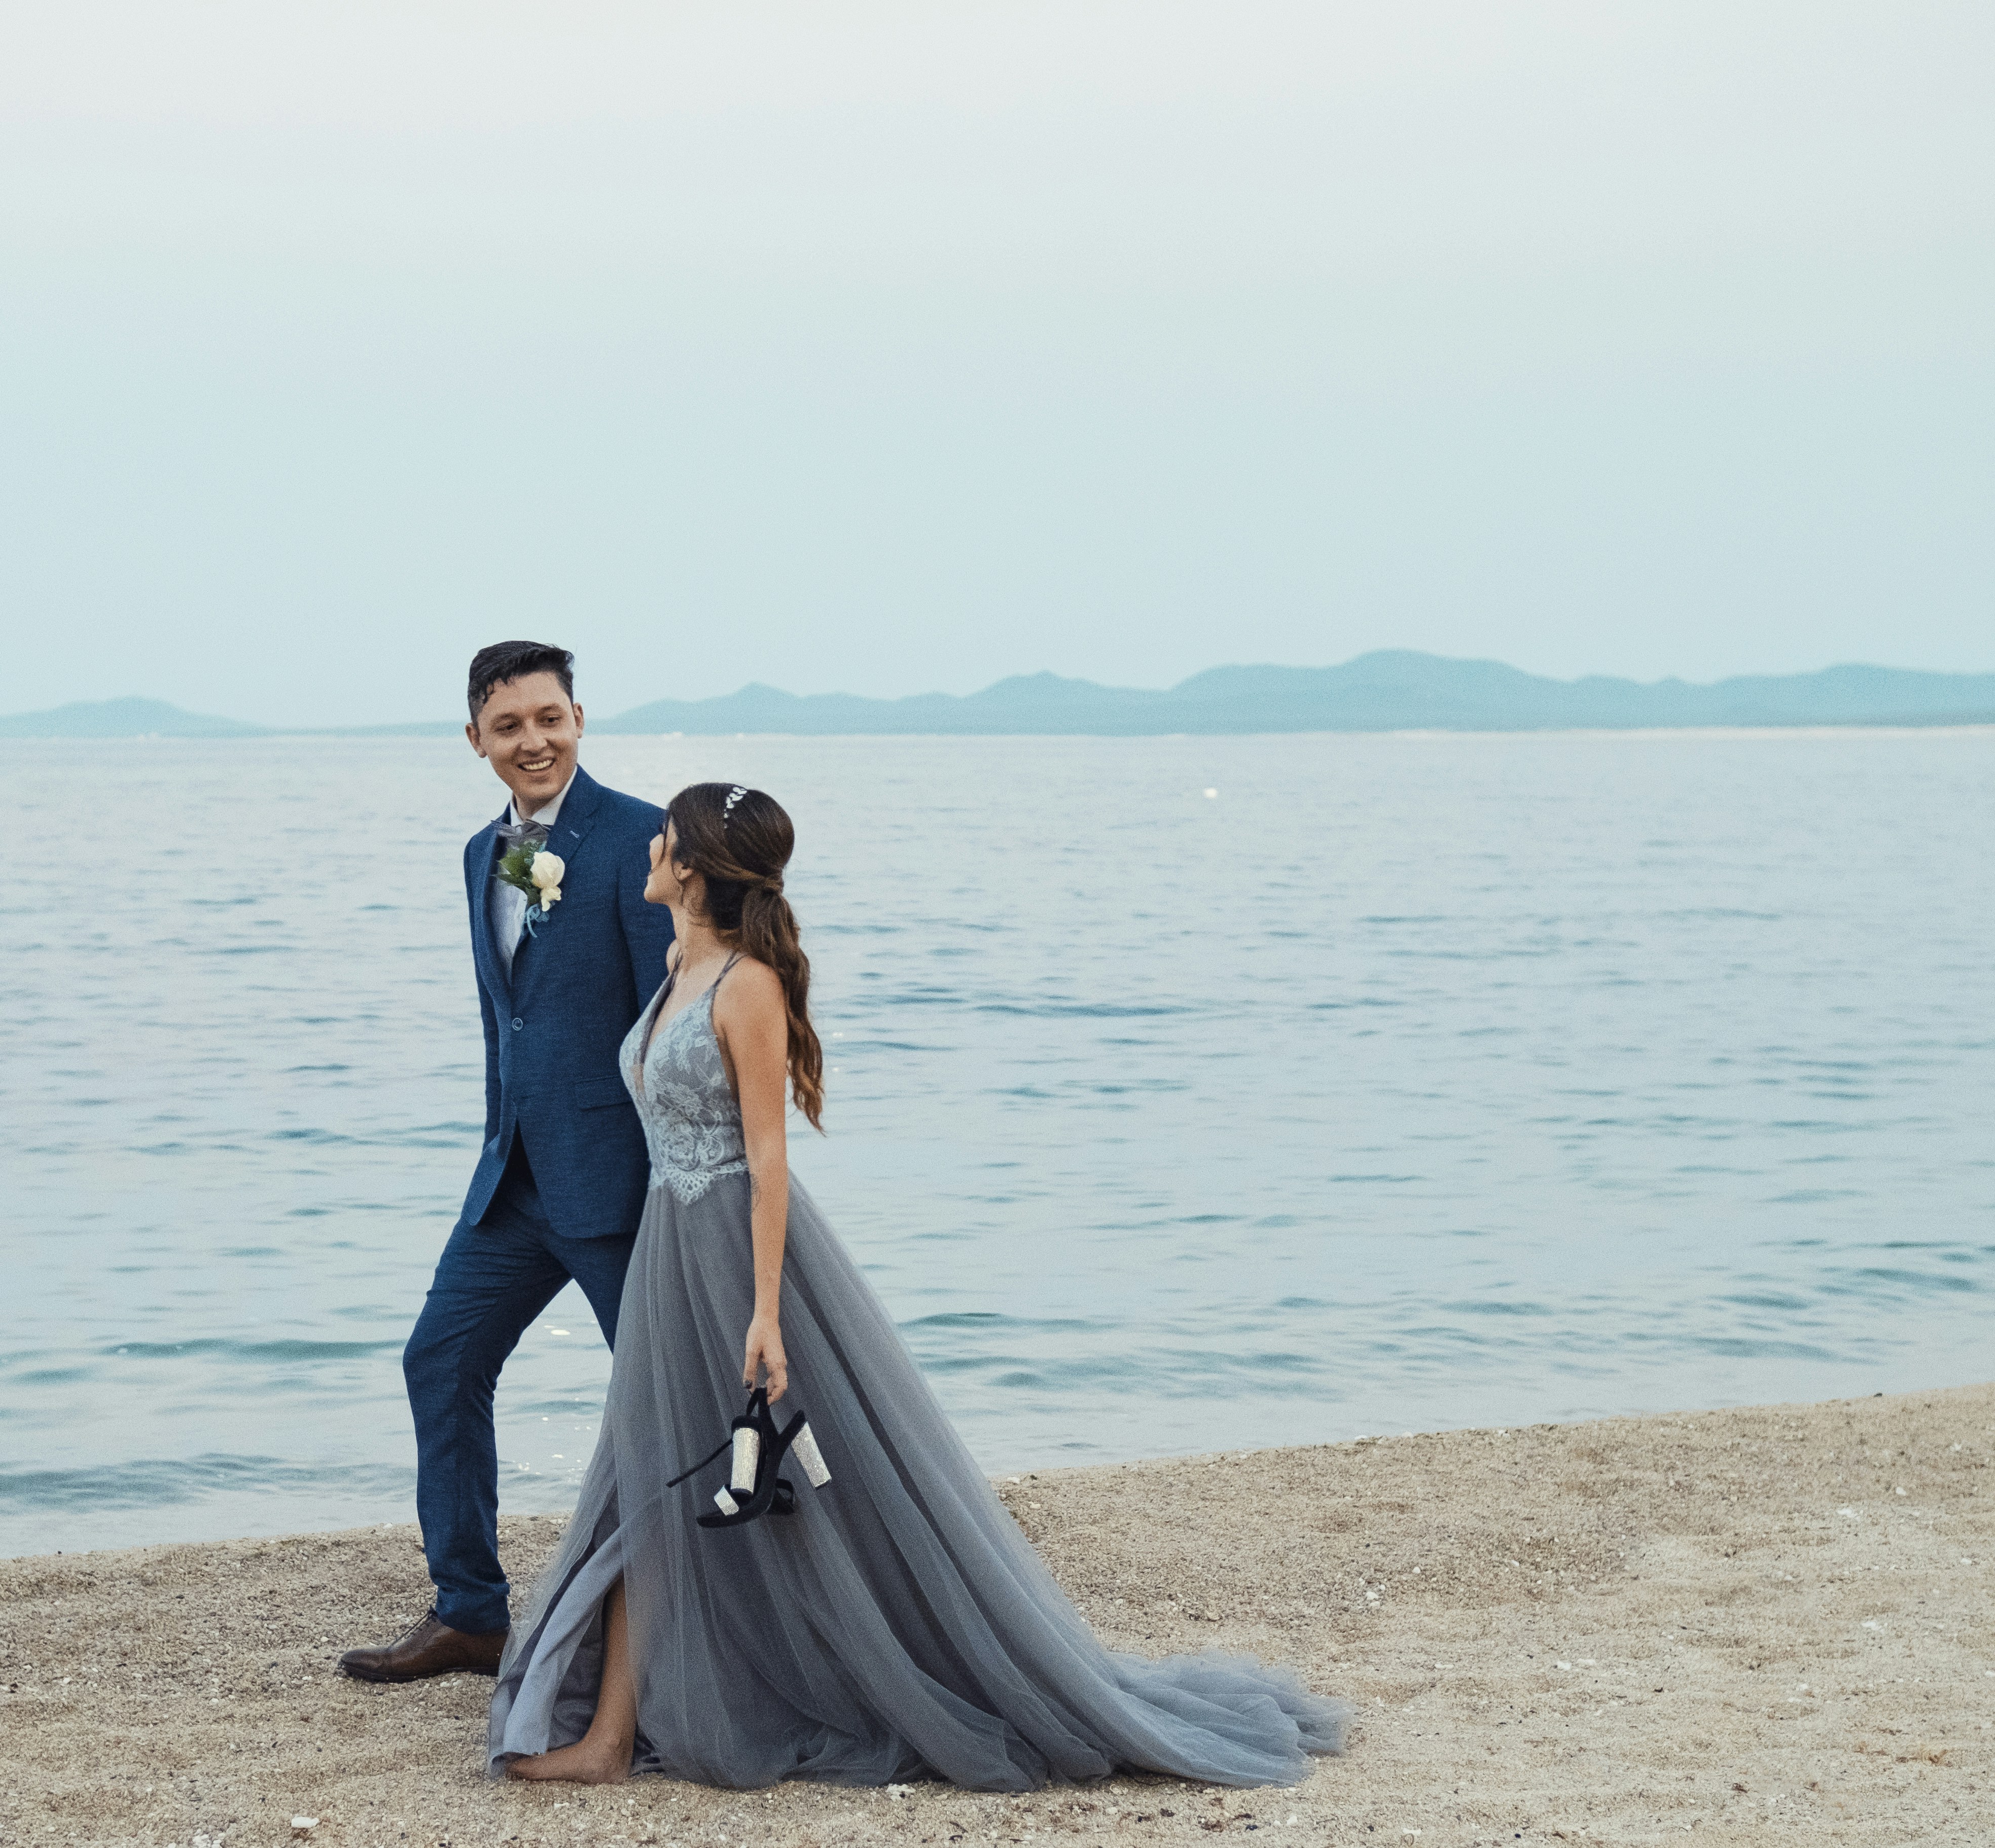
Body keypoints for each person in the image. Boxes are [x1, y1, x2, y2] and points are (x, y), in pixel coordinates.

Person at [489, 783, 1348, 1790]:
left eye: (663, 837)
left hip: (735, 1251)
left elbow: (767, 1163)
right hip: (668, 1256)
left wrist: (764, 1312)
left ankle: (665, 1724)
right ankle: (612, 1733)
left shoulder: (749, 986)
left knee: (773, 1484)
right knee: (645, 1477)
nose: (650, 845)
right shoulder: (683, 962)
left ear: (692, 865)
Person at [336, 642, 676, 1684]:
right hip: (512, 1182)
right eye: (508, 724)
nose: (532, 740)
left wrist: (674, 1181)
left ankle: (700, 1620)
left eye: (549, 718)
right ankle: (472, 1613)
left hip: (618, 1185)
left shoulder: (638, 839)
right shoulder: (479, 854)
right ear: (475, 738)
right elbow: (511, 1019)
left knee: (670, 1404)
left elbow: (666, 1020)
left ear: (580, 718)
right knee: (439, 1360)